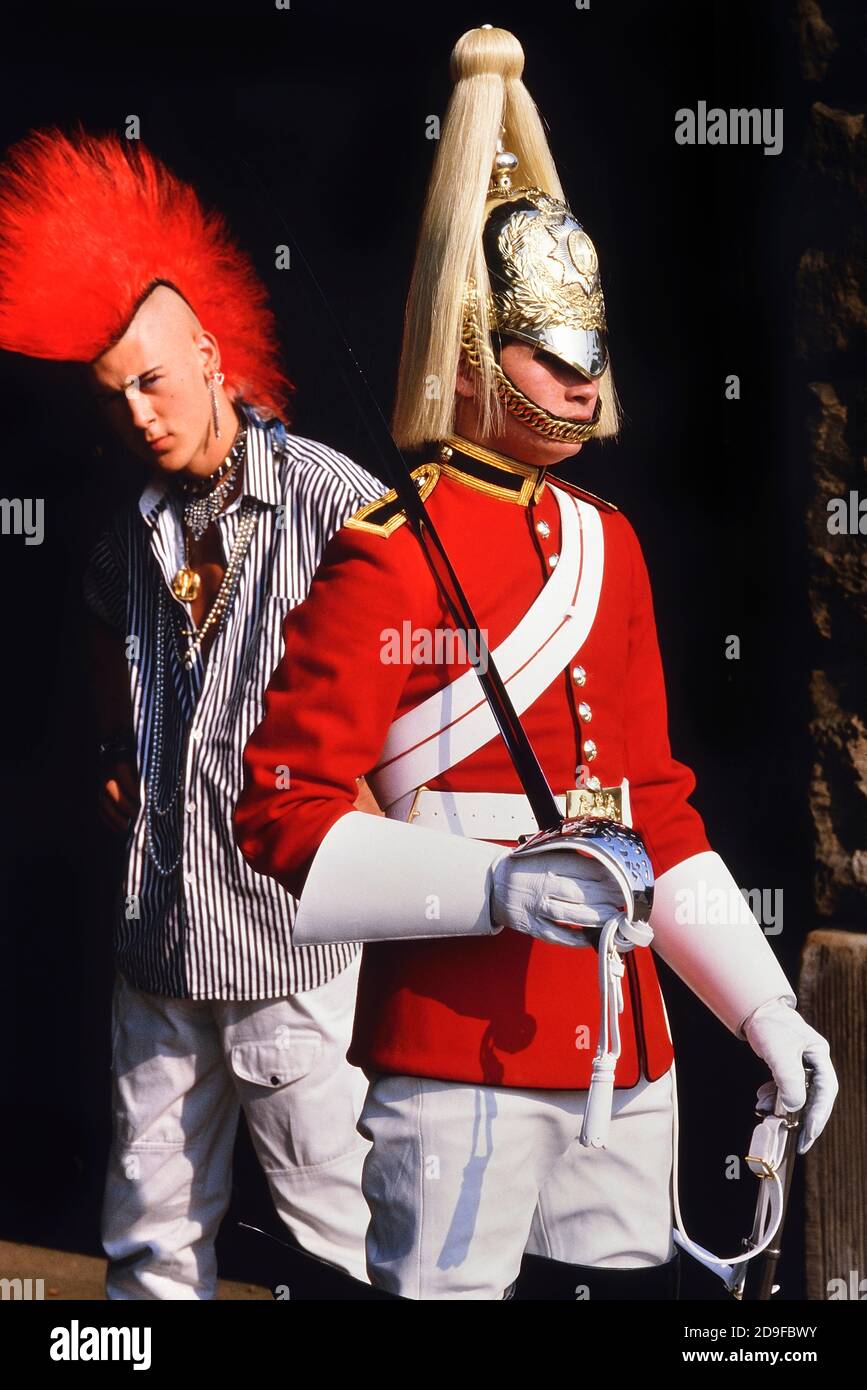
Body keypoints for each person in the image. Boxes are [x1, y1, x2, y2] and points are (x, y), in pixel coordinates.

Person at [234, 27, 838, 1300]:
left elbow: (657, 814)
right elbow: (282, 816)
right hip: (457, 1058)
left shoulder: (609, 545)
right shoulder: (390, 554)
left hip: (626, 1059)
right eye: (547, 354)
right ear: (469, 346)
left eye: (588, 353)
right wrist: (497, 890)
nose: (579, 383)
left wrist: (761, 1007)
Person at [0, 128, 385, 1299]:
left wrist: (379, 803)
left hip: (289, 941)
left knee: (341, 1238)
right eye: (116, 396)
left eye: (156, 381)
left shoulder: (332, 499)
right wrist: (122, 750)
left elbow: (429, 681)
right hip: (155, 945)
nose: (140, 416)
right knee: (151, 1248)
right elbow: (107, 650)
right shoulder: (129, 535)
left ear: (214, 358)